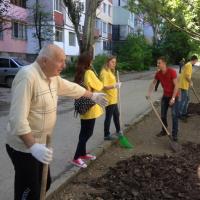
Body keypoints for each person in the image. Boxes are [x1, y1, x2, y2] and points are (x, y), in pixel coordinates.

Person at [5, 44, 107, 200]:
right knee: (29, 190)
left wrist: (92, 96)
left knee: (44, 185)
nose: (64, 65)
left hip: (40, 145)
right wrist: (33, 146)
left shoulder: (52, 77)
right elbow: (17, 119)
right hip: (24, 148)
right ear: (44, 61)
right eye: (60, 61)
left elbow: (71, 88)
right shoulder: (27, 77)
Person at [71, 52, 105, 168]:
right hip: (90, 107)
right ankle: (76, 157)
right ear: (88, 62)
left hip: (83, 107)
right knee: (87, 133)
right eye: (91, 60)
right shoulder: (89, 73)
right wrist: (96, 74)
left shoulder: (80, 73)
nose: (93, 62)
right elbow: (100, 86)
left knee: (84, 132)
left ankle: (83, 154)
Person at [147, 56, 179, 142]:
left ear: (164, 63)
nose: (157, 64)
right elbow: (153, 83)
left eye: (159, 63)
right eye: (157, 63)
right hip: (165, 96)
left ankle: (175, 135)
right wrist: (149, 93)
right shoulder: (158, 74)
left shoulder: (172, 72)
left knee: (174, 115)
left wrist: (172, 98)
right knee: (163, 115)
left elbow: (176, 85)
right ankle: (164, 131)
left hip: (174, 96)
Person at [99, 55, 122, 140]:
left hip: (113, 98)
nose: (114, 64)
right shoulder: (104, 72)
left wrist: (116, 84)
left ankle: (118, 130)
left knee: (116, 115)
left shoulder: (109, 71)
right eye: (112, 62)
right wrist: (115, 85)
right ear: (108, 62)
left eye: (115, 62)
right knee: (109, 116)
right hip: (109, 99)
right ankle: (106, 134)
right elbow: (104, 86)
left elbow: (111, 83)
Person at [179, 55, 198, 120]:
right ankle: (180, 114)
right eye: (196, 61)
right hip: (184, 85)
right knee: (184, 100)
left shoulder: (188, 64)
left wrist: (189, 82)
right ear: (194, 60)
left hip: (185, 84)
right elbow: (187, 76)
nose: (196, 62)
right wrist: (191, 82)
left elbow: (187, 76)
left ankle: (184, 112)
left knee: (187, 99)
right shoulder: (189, 65)